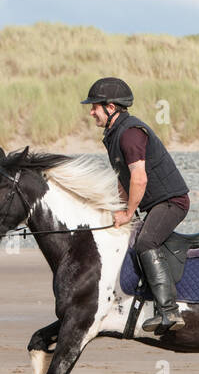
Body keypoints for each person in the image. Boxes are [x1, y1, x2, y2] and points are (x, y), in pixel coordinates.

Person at [81, 77, 191, 332]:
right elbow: (124, 181)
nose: (91, 111)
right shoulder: (114, 134)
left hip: (172, 202)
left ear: (111, 107)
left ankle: (169, 310)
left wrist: (129, 212)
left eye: (94, 106)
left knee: (145, 242)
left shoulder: (130, 134)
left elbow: (139, 179)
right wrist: (119, 210)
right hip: (155, 204)